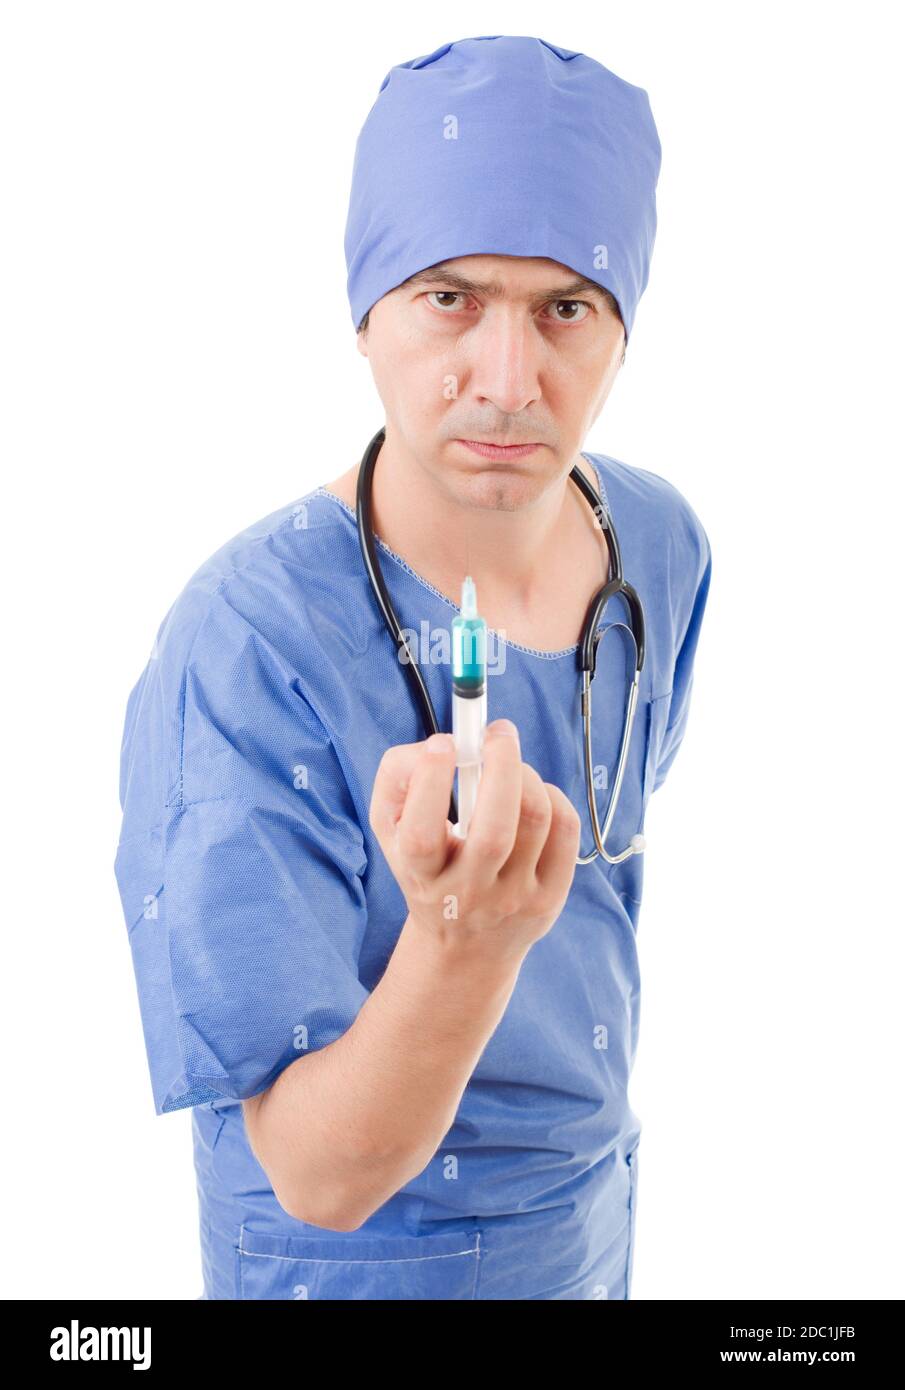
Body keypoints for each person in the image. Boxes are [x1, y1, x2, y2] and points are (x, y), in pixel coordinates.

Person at [114, 33, 712, 1301]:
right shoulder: (248, 645)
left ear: (625, 329)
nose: (505, 381)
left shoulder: (655, 547)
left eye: (566, 308)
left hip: (584, 1232)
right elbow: (319, 1179)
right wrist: (461, 945)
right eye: (449, 295)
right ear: (364, 311)